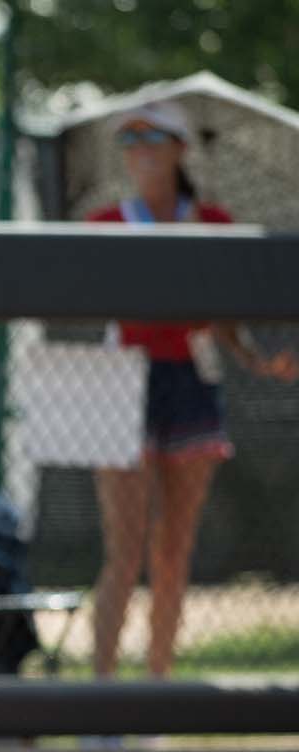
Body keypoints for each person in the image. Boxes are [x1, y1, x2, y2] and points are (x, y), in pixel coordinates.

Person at [84, 100, 297, 678]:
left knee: (173, 550)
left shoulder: (213, 221)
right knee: (123, 553)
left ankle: (159, 689)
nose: (140, 149)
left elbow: (225, 316)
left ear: (181, 149)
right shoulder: (106, 224)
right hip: (121, 381)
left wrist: (254, 357)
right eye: (129, 139)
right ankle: (101, 700)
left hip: (190, 382)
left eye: (154, 137)